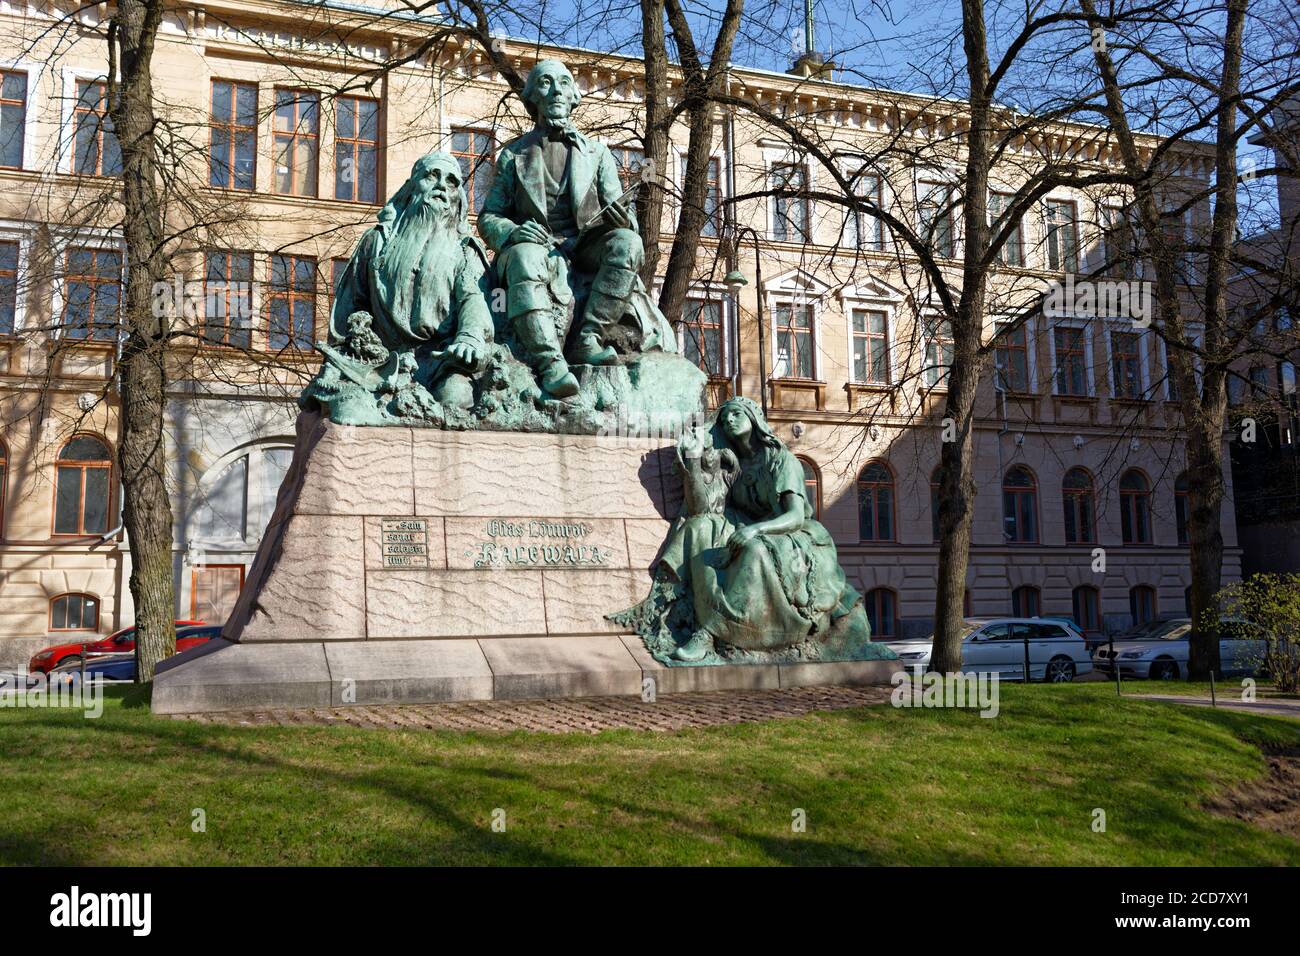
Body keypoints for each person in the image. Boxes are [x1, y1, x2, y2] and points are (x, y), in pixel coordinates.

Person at [478, 58, 675, 399]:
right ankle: (550, 364)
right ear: (532, 98)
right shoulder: (512, 155)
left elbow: (621, 210)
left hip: (584, 246)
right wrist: (512, 232)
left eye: (564, 83)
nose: (555, 90)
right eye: (545, 83)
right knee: (523, 257)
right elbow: (489, 217)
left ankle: (589, 337)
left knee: (628, 244)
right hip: (536, 248)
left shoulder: (597, 154)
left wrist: (622, 219)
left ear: (573, 97)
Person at [658, 396, 872, 661]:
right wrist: (692, 459)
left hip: (792, 534)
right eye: (725, 419)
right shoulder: (735, 464)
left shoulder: (782, 459)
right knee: (700, 527)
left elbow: (795, 516)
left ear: (754, 418)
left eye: (736, 414)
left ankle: (711, 633)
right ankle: (671, 597)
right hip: (749, 528)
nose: (729, 420)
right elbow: (700, 509)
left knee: (754, 551)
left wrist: (755, 530)